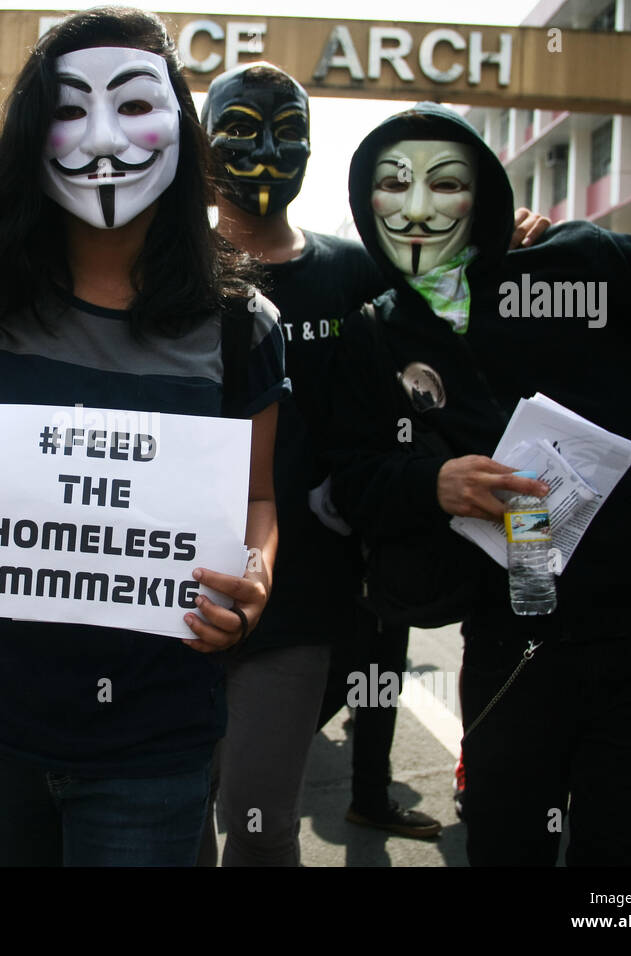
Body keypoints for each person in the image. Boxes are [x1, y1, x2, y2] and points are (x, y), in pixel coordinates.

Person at [0, 7, 286, 867]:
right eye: (70, 110)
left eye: (135, 105)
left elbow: (259, 497)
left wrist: (256, 578)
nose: (102, 138)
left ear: (181, 130)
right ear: (35, 133)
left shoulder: (240, 325)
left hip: (155, 742)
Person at [323, 101, 631, 866]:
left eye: (446, 182)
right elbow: (355, 481)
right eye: (392, 184)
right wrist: (433, 483)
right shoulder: (378, 328)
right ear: (366, 203)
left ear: (483, 192)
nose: (418, 206)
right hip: (508, 643)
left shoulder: (583, 260)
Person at [199, 61, 548, 863]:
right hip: (163, 582)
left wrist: (514, 242)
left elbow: (455, 299)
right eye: (242, 131)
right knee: (170, 815)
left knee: (259, 823)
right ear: (203, 147)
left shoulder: (356, 272)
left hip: (307, 599)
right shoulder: (158, 273)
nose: (267, 152)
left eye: (289, 132)